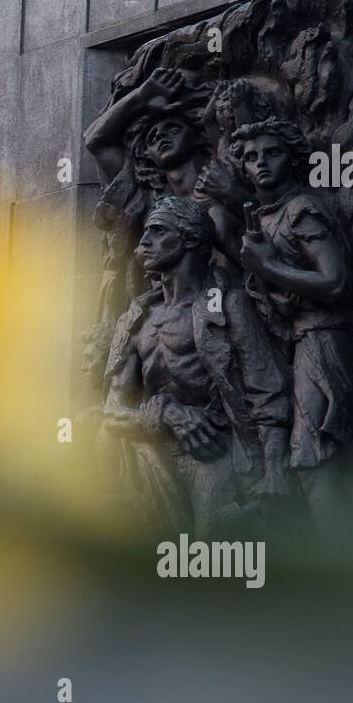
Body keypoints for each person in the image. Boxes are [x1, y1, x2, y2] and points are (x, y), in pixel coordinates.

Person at [96, 196, 291, 536]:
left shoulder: (229, 304)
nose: (143, 243)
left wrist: (274, 470)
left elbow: (269, 393)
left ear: (190, 239)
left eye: (157, 232)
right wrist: (167, 412)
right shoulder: (136, 318)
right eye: (145, 233)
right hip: (152, 456)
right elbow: (112, 412)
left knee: (209, 561)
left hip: (217, 454)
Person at [231, 117, 353, 539]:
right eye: (251, 158)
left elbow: (337, 281)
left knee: (314, 463)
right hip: (295, 342)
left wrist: (269, 265)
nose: (261, 163)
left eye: (271, 153)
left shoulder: (302, 209)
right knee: (308, 466)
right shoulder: (264, 218)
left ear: (292, 158)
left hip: (324, 338)